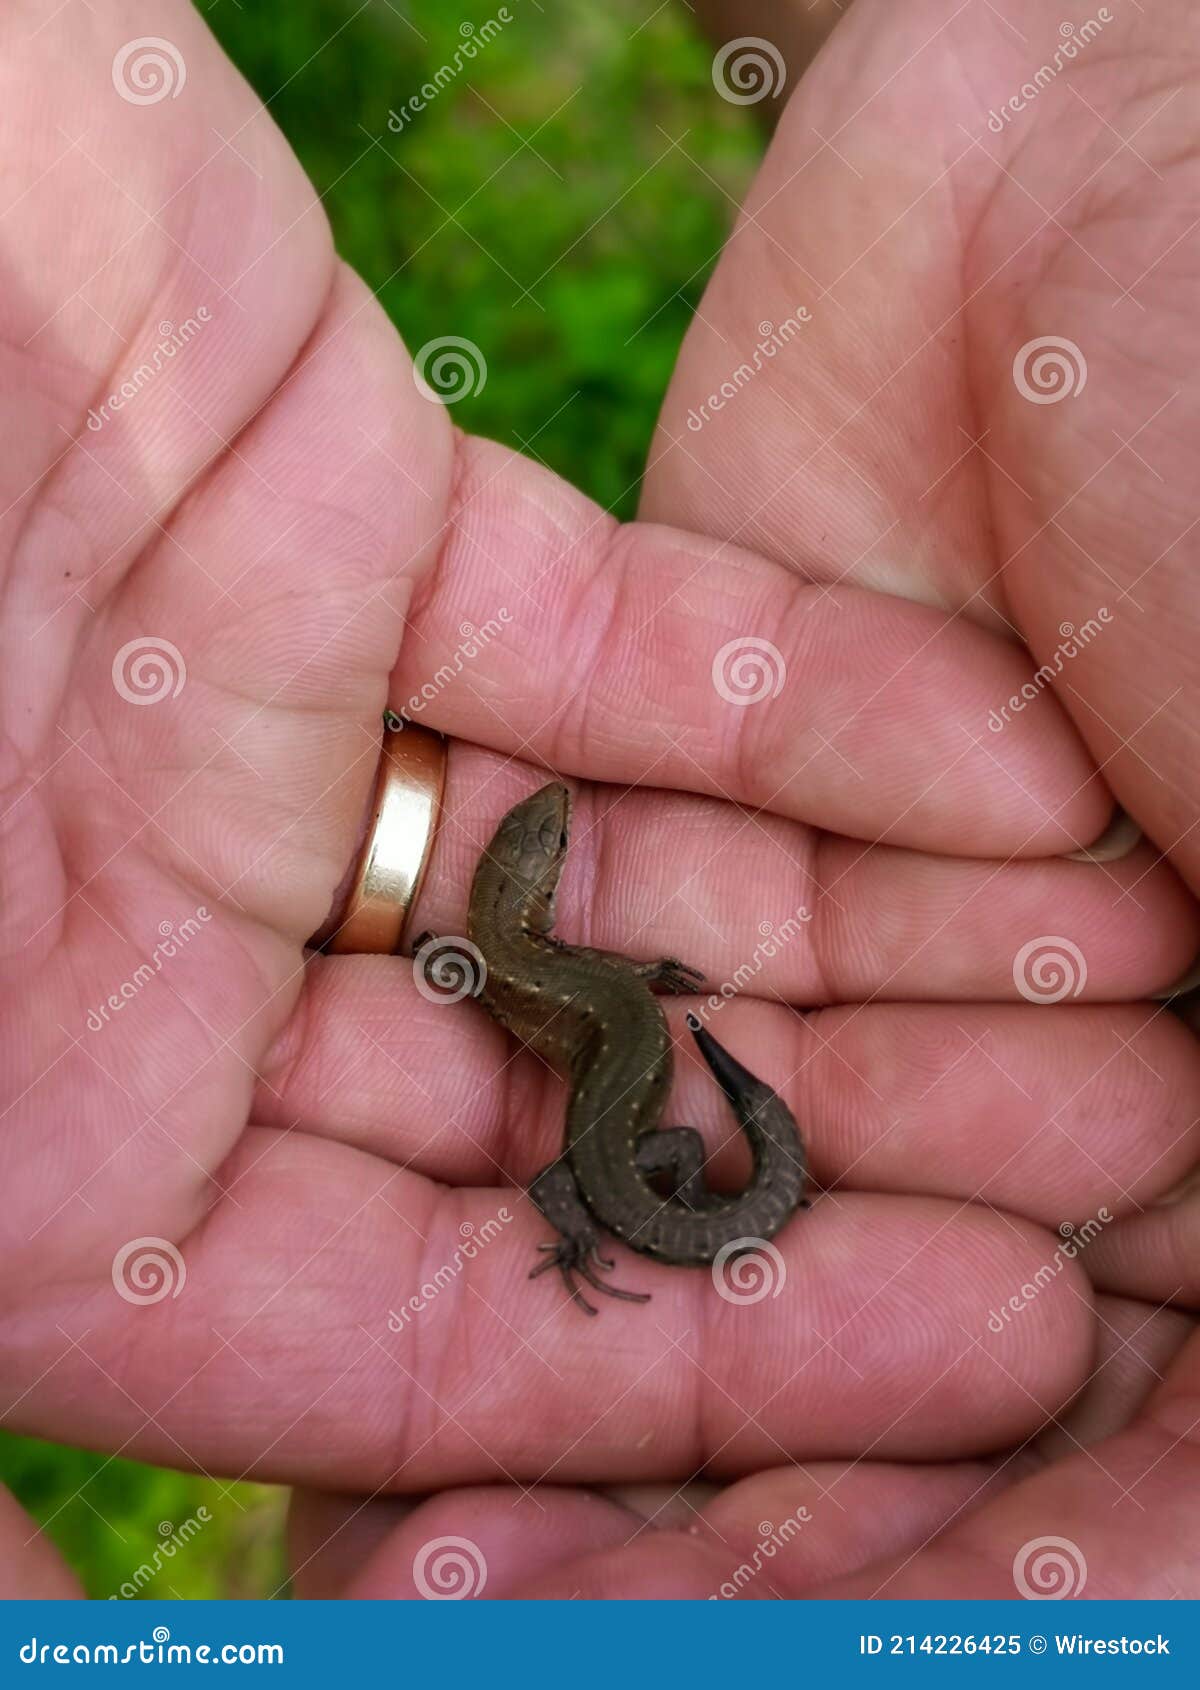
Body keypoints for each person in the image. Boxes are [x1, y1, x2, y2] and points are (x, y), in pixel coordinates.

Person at [1, 0, 1196, 1600]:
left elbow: (573, 991)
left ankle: (595, 1236)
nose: (542, 836)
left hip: (613, 1140)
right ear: (527, 886)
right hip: (619, 1138)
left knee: (657, 1180)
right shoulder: (550, 974)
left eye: (539, 840)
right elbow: (605, 999)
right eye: (541, 838)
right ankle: (603, 1232)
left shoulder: (513, 962)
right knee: (676, 1179)